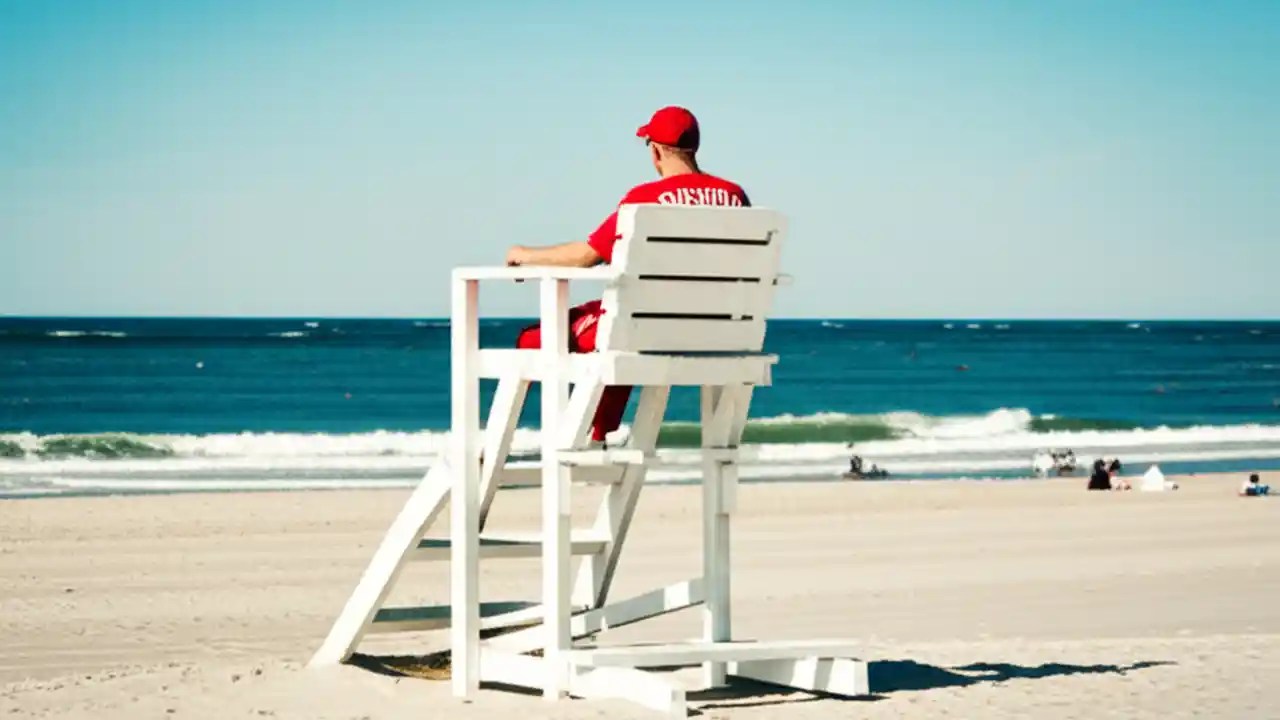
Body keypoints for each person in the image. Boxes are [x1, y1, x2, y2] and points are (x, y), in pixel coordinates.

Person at [503, 106, 751, 446]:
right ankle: (598, 434)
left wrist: (525, 257)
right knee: (622, 325)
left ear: (656, 150)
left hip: (646, 330)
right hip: (714, 336)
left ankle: (498, 446)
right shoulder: (735, 197)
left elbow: (585, 256)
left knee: (536, 338)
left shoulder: (644, 200)